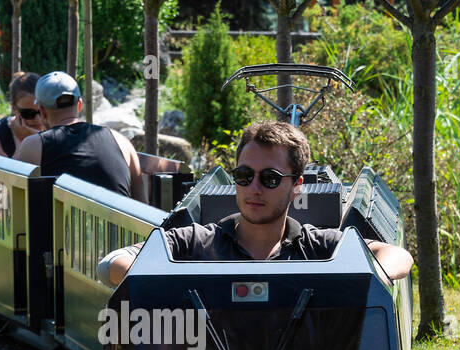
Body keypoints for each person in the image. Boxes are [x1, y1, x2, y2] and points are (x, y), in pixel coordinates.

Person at [99, 119, 414, 285]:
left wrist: (370, 277)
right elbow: (111, 263)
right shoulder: (196, 242)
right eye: (244, 175)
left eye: (271, 178)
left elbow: (396, 255)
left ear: (296, 187)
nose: (255, 188)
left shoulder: (316, 249)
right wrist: (167, 282)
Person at [16, 71, 145, 202]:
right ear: (79, 105)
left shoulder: (34, 146)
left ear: (42, 112)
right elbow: (142, 205)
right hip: (118, 221)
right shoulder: (122, 142)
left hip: (64, 222)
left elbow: (19, 201)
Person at [0, 71, 41, 157]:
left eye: (42, 111)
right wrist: (34, 141)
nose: (38, 119)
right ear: (14, 108)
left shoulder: (56, 129)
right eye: (28, 113)